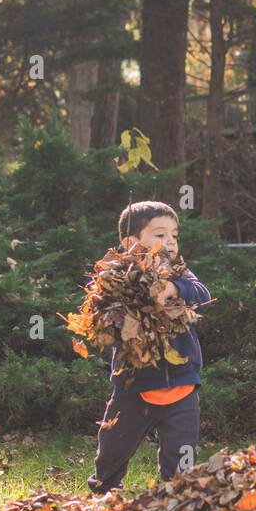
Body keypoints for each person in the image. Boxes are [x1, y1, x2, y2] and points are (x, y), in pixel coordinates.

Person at [87, 201, 209, 494]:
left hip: (181, 383)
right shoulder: (118, 277)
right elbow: (104, 315)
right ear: (131, 242)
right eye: (159, 235)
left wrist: (174, 288)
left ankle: (176, 494)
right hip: (134, 385)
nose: (169, 241)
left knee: (181, 456)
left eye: (174, 235)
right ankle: (105, 487)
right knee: (114, 446)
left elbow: (203, 294)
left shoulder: (179, 274)